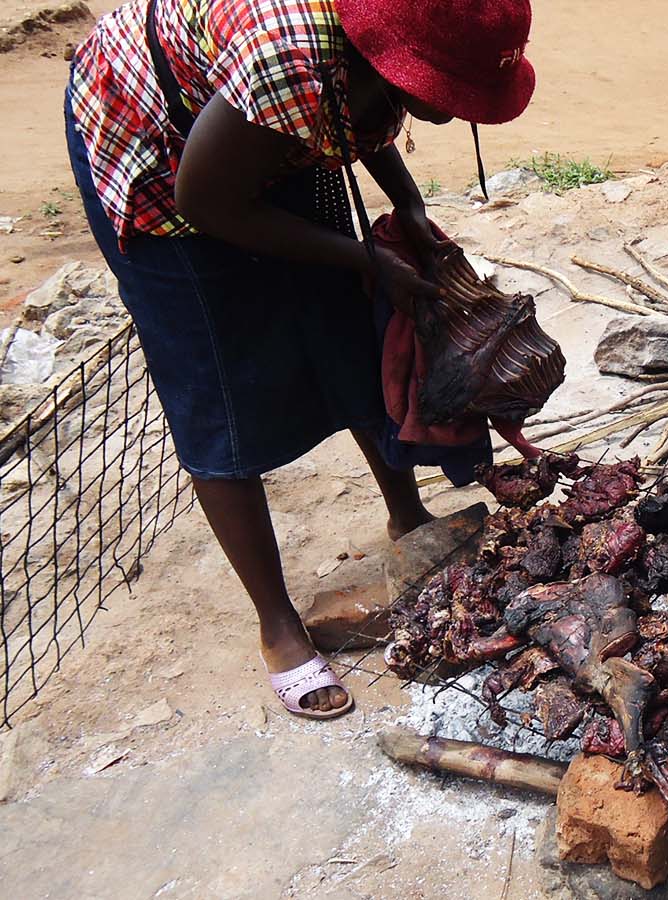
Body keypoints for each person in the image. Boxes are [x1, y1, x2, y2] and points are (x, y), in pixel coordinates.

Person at [65, 0, 535, 719]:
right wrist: (366, 258)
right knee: (216, 381)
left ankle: (406, 515)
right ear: (398, 62)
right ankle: (278, 624)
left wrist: (405, 205)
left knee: (339, 323)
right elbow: (210, 199)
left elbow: (354, 112)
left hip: (257, 120)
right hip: (163, 149)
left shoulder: (358, 60)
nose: (451, 110)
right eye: (447, 92)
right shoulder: (288, 60)